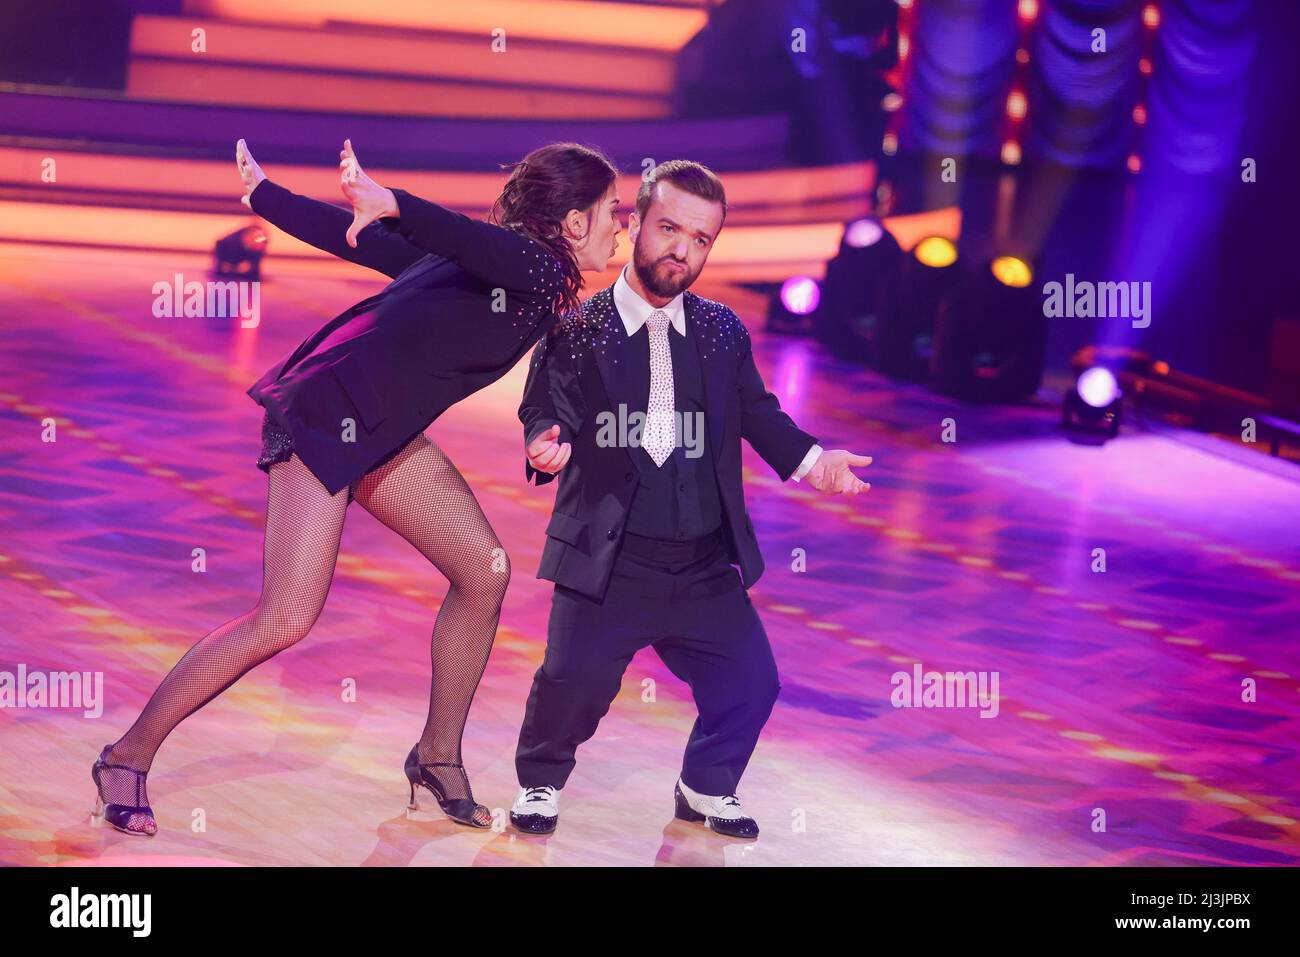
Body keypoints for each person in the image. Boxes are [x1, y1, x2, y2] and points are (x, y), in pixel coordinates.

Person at [90, 138, 622, 836]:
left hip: (379, 428)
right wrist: (397, 203)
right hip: (328, 414)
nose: (622, 225)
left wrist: (265, 198)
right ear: (575, 222)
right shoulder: (530, 262)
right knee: (284, 618)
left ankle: (437, 756)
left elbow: (360, 244)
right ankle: (125, 757)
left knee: (484, 569)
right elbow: (447, 231)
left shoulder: (519, 280)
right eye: (616, 211)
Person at [508, 160, 872, 838]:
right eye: (670, 228)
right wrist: (543, 440)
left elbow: (758, 412)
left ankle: (706, 785)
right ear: (636, 221)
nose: (682, 249)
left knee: (751, 683)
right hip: (610, 563)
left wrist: (814, 462)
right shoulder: (580, 328)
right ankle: (539, 780)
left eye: (701, 239)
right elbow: (544, 404)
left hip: (701, 563)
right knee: (573, 684)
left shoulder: (721, 330)